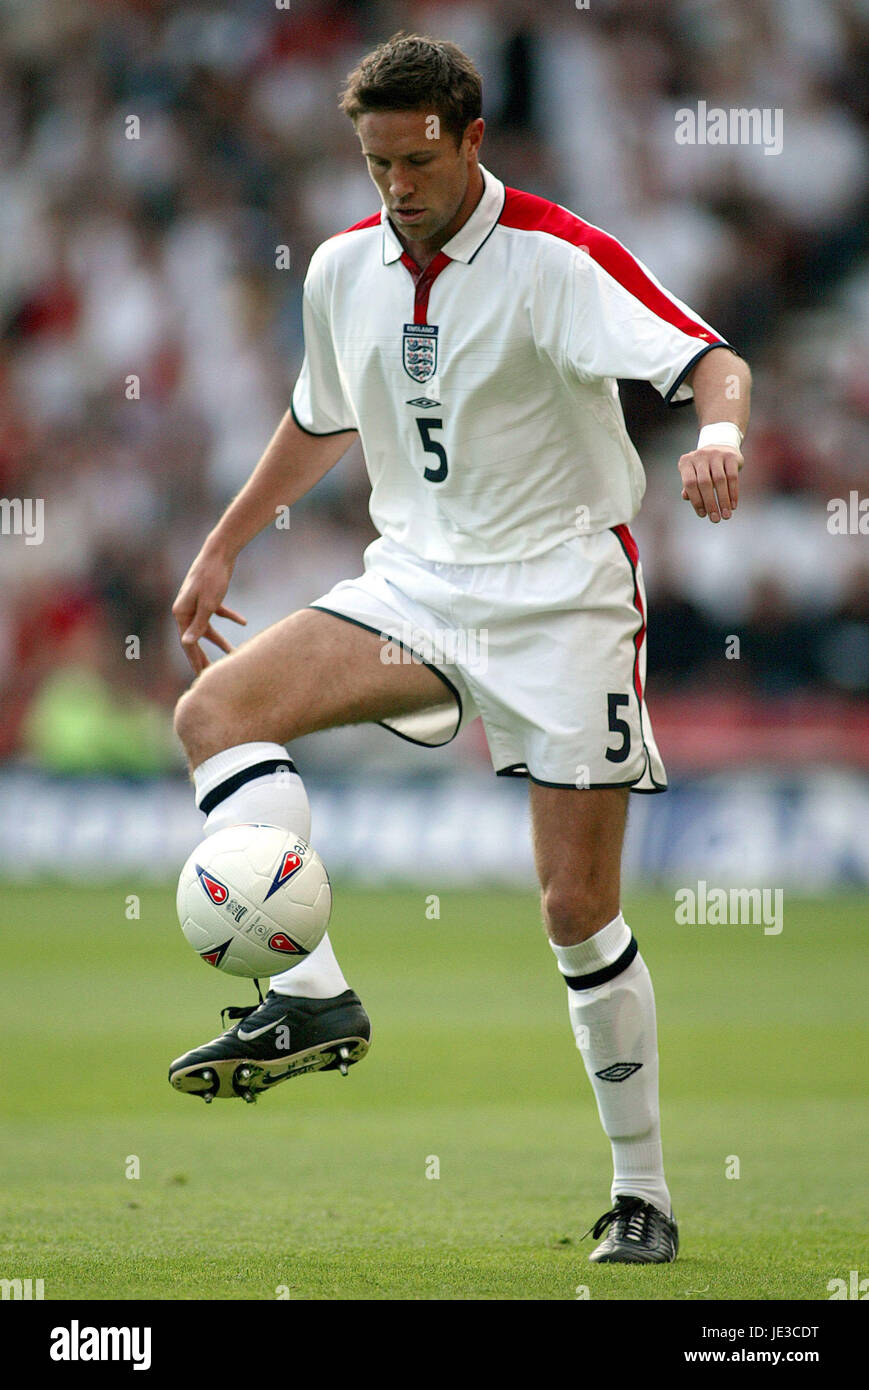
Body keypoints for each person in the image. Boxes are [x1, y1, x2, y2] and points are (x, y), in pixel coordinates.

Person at [168, 34, 750, 1265]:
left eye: (417, 159)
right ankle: (312, 994)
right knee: (214, 714)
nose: (396, 186)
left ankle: (639, 1191)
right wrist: (221, 543)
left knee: (574, 907)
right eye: (375, 163)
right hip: (418, 584)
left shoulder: (556, 255)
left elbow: (711, 360)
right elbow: (319, 414)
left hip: (564, 596)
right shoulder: (341, 268)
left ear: (471, 139)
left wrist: (722, 438)